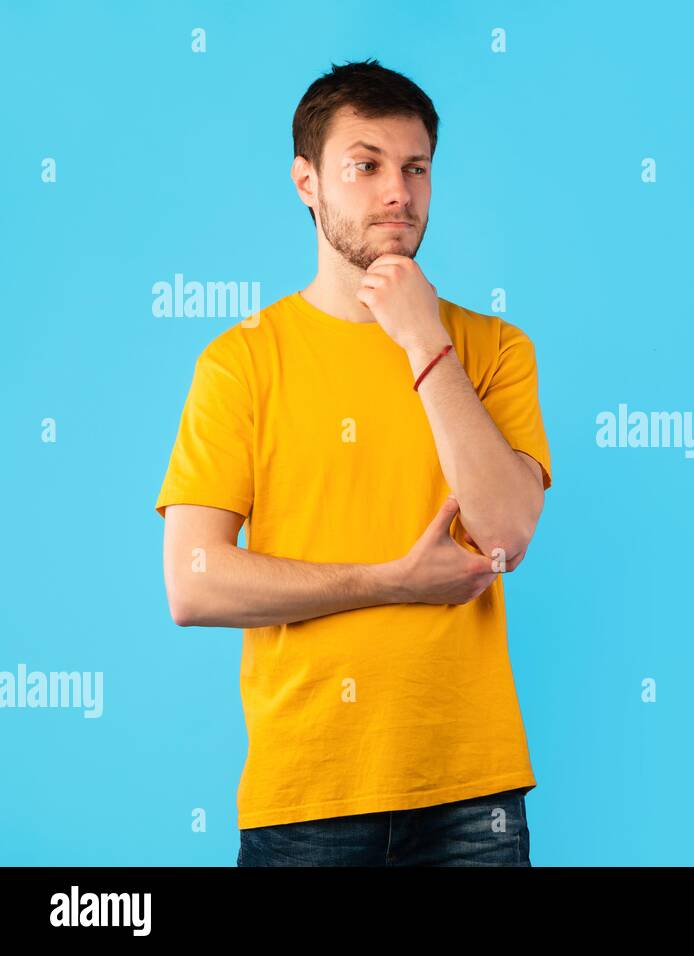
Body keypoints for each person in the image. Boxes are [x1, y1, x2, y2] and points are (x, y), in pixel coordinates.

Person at [154, 59, 551, 866]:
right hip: (308, 793)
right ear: (307, 181)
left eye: (415, 168)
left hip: (472, 795)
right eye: (365, 166)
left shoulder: (495, 348)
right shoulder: (241, 363)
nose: (397, 192)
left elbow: (505, 532)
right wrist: (388, 582)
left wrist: (421, 338)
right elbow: (193, 584)